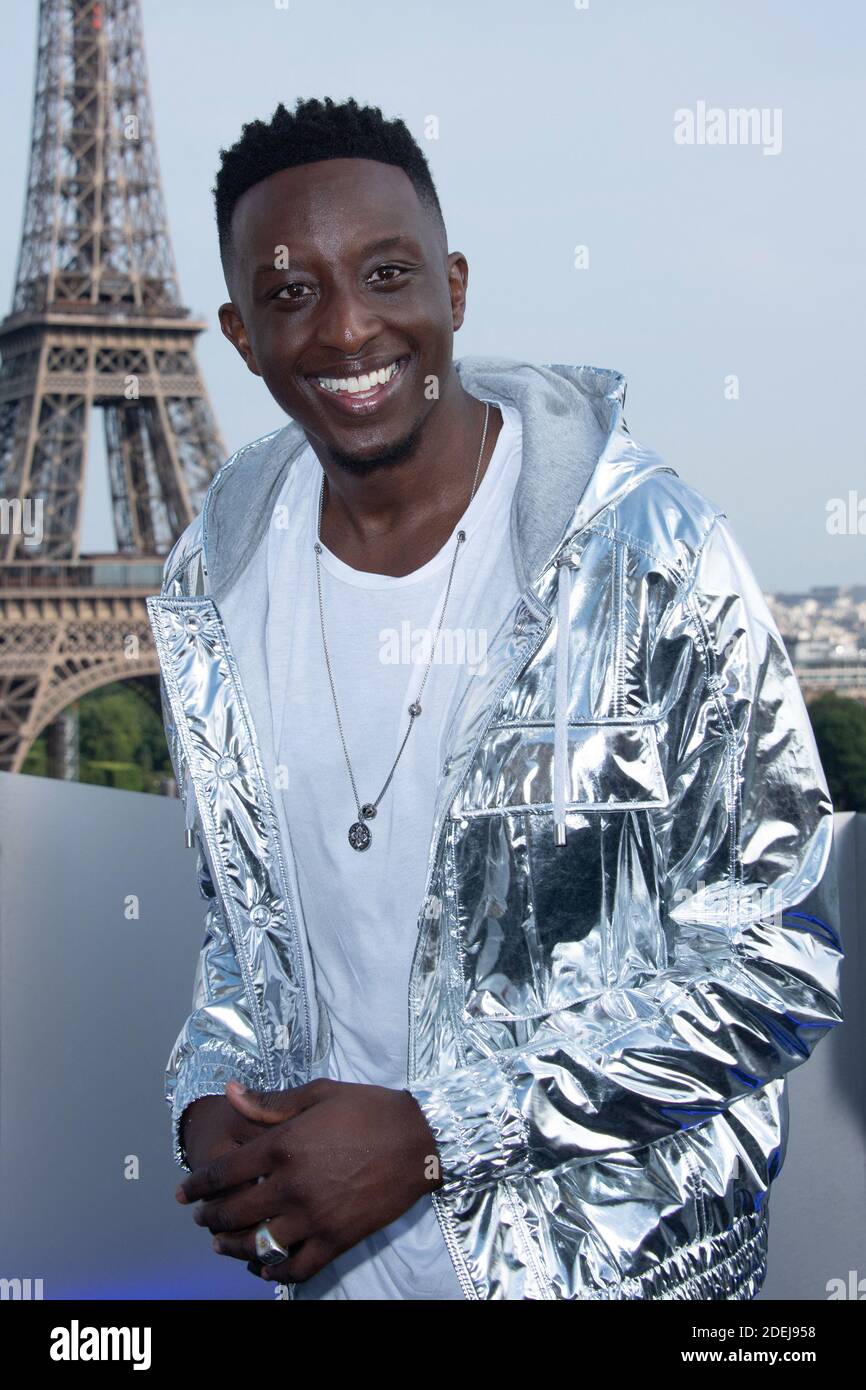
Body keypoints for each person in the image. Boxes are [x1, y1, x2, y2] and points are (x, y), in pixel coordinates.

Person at [147, 96, 843, 1301]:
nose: (350, 327)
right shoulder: (212, 582)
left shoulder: (646, 555)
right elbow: (242, 925)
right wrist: (211, 1092)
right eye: (292, 292)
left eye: (385, 271)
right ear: (239, 336)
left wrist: (437, 1135)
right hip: (338, 1277)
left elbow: (780, 963)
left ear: (453, 287)